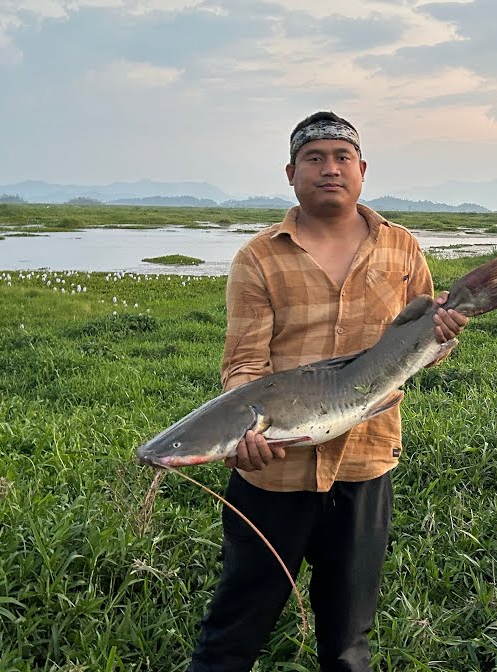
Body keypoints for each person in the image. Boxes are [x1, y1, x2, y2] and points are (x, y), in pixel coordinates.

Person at [188, 111, 469, 671]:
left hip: (365, 467)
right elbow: (244, 363)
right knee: (232, 632)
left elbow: (424, 347)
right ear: (291, 173)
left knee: (347, 641)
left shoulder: (402, 249)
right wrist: (248, 428)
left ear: (361, 170)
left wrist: (443, 338)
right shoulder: (258, 258)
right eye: (314, 159)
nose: (329, 169)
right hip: (274, 474)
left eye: (342, 158)